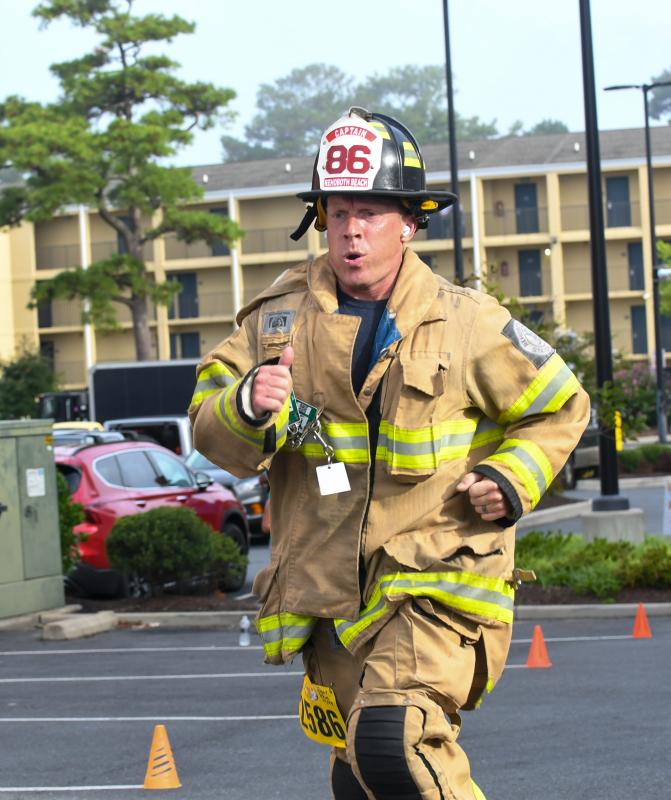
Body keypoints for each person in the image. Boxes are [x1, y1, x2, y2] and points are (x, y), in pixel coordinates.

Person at [189, 107, 590, 800]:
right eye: (337, 211)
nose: (351, 229)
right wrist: (246, 401)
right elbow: (209, 430)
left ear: (408, 220)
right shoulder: (274, 321)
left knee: (391, 744)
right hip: (329, 593)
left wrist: (510, 477)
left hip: (436, 576)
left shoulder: (467, 320)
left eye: (370, 212)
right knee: (359, 773)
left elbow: (560, 405)